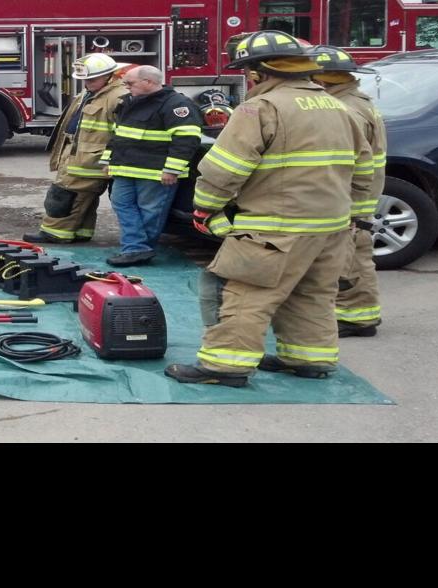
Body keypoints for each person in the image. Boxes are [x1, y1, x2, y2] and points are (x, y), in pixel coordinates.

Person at [164, 31, 374, 388]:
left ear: (259, 72)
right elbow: (364, 169)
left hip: (276, 227)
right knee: (312, 293)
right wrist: (353, 215)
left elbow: (224, 168)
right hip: (331, 226)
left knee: (247, 293)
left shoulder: (261, 108)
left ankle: (225, 366)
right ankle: (309, 359)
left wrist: (205, 208)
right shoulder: (339, 107)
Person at [313, 46, 387, 338]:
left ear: (320, 79)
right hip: (360, 194)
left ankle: (357, 318)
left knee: (351, 258)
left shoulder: (345, 109)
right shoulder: (355, 100)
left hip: (352, 197)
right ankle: (358, 314)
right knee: (356, 254)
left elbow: (348, 159)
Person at [99, 64, 201, 267]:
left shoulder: (176, 104)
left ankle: (136, 250)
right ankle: (137, 248)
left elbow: (186, 140)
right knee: (121, 204)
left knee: (151, 211)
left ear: (148, 82)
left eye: (130, 83)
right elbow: (118, 134)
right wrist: (108, 160)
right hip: (125, 167)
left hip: (155, 172)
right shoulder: (129, 102)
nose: (126, 87)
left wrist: (172, 170)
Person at [25, 52, 126, 245]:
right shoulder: (91, 92)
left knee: (65, 195)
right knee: (84, 197)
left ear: (109, 76)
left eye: (92, 79)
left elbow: (122, 134)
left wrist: (110, 159)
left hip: (91, 159)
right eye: (85, 79)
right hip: (78, 154)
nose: (87, 83)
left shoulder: (117, 97)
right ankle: (81, 232)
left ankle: (55, 233)